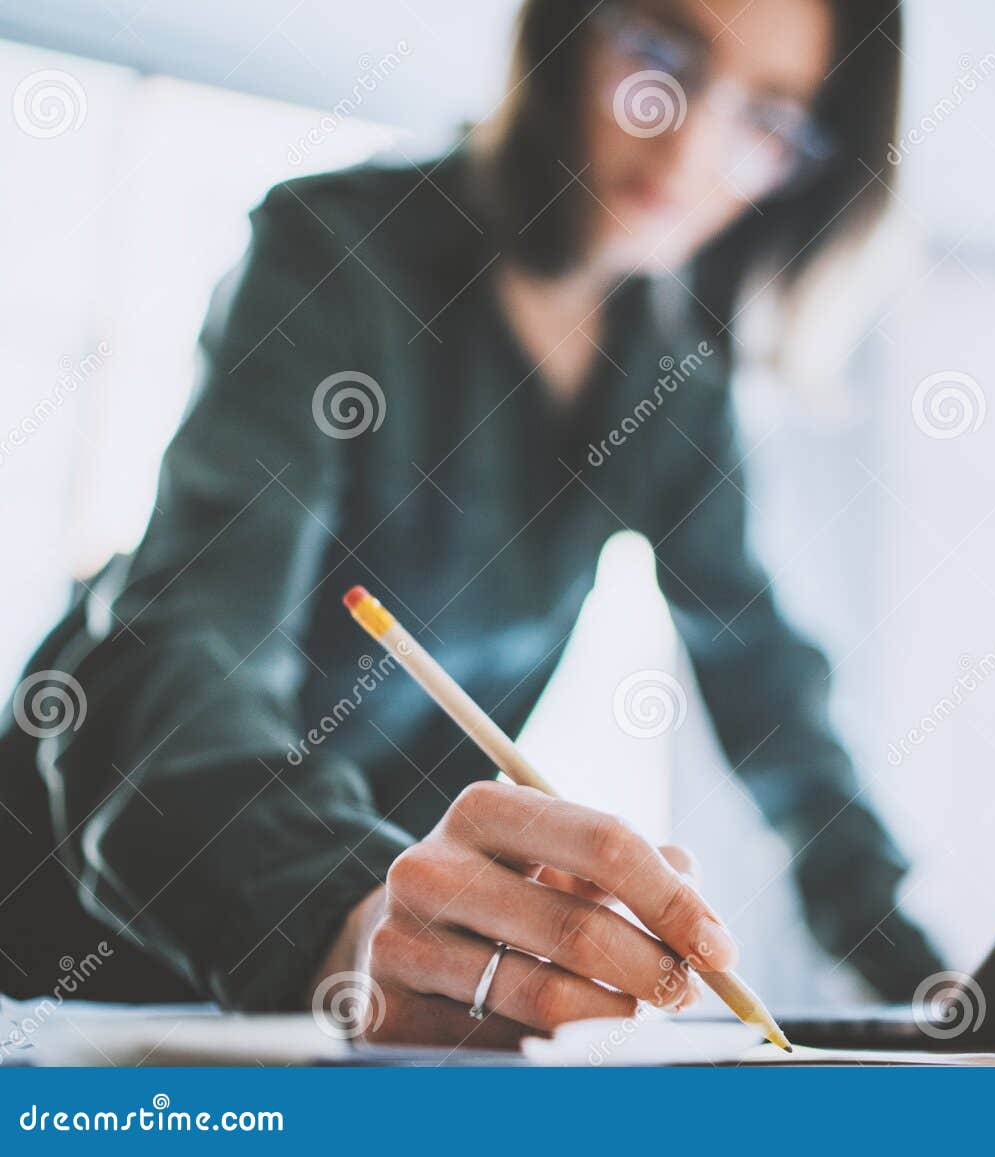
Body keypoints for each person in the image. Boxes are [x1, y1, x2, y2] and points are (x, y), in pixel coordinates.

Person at [0, 0, 943, 1046]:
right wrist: (349, 914)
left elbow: (771, 697)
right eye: (660, 55)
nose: (686, 146)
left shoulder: (677, 381)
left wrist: (935, 980)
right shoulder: (336, 251)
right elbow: (195, 645)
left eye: (767, 119)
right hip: (76, 910)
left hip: (357, 968)